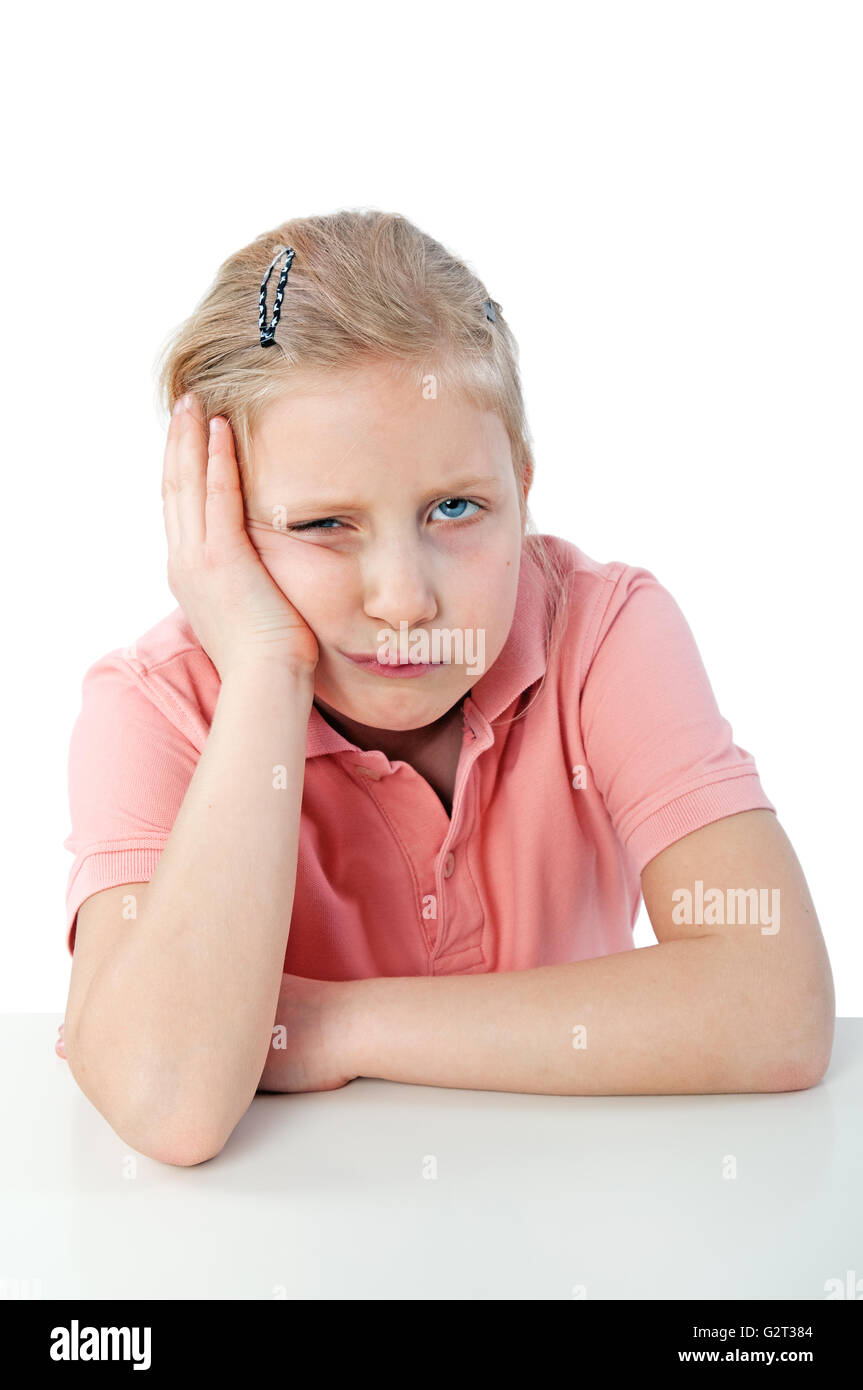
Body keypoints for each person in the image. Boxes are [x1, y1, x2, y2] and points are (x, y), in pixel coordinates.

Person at [58, 209, 834, 1166]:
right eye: (323, 524)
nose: (403, 599)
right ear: (215, 527)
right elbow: (165, 1101)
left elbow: (775, 1004)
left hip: (573, 1202)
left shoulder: (604, 634)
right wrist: (265, 670)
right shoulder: (152, 707)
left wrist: (335, 1026)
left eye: (456, 508)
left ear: (522, 486)